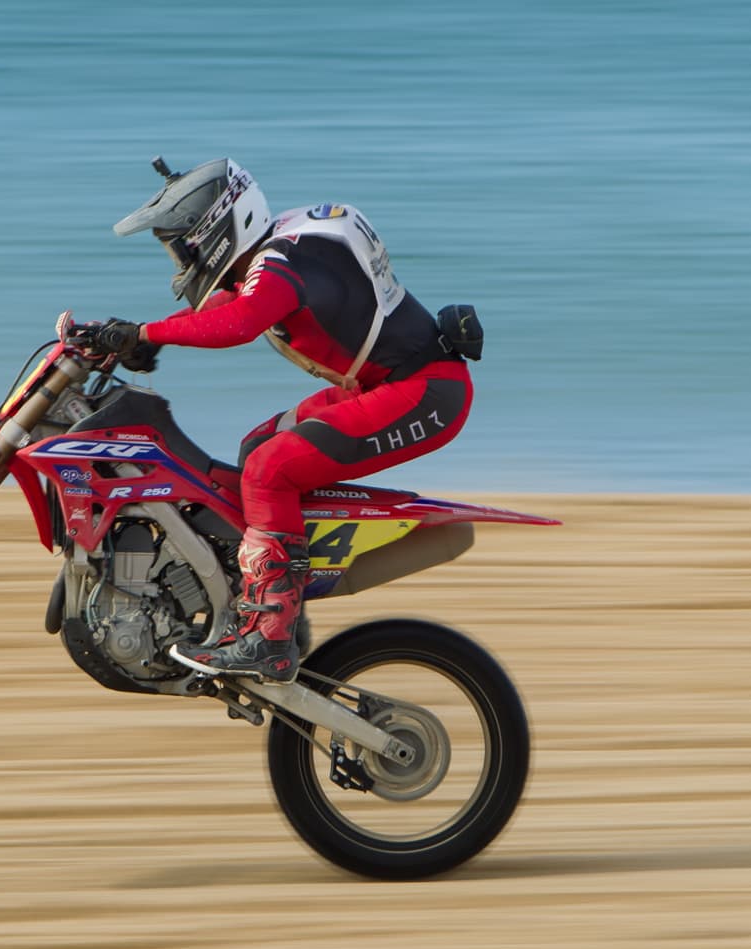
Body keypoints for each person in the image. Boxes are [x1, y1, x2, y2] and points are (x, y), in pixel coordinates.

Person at [77, 156, 479, 683]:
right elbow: (229, 303)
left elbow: (243, 319)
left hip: (424, 393)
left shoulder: (281, 260)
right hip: (385, 385)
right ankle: (271, 607)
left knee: (272, 469)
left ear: (214, 229)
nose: (179, 259)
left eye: (181, 246)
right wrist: (139, 335)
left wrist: (146, 334)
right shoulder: (280, 249)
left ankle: (269, 637)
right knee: (258, 448)